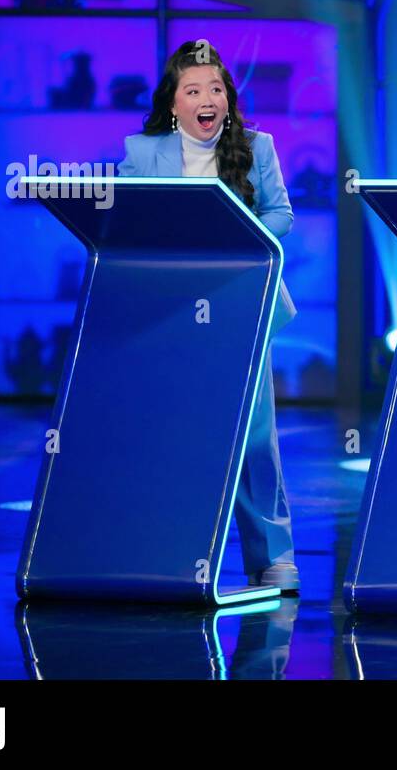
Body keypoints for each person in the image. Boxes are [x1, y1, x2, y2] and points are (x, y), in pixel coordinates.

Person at [118, 40, 299, 592]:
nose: (207, 99)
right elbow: (124, 217)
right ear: (173, 103)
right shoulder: (143, 153)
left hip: (241, 302)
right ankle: (166, 551)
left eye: (216, 89)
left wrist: (243, 236)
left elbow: (281, 214)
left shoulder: (255, 146)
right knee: (168, 429)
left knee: (254, 437)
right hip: (171, 310)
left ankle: (275, 558)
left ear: (228, 99)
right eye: (193, 90)